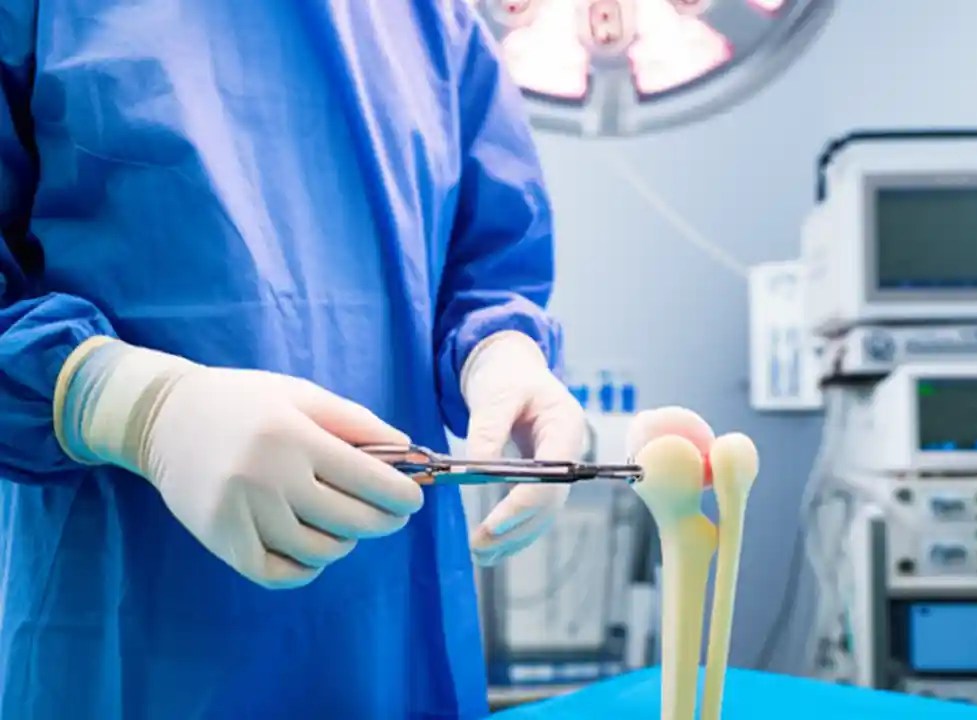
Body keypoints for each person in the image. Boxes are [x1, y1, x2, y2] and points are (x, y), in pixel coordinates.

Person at [0, 1, 587, 717]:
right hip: (133, 636)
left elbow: (484, 256)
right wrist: (130, 406)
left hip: (389, 627)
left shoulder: (434, 19)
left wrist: (500, 352)